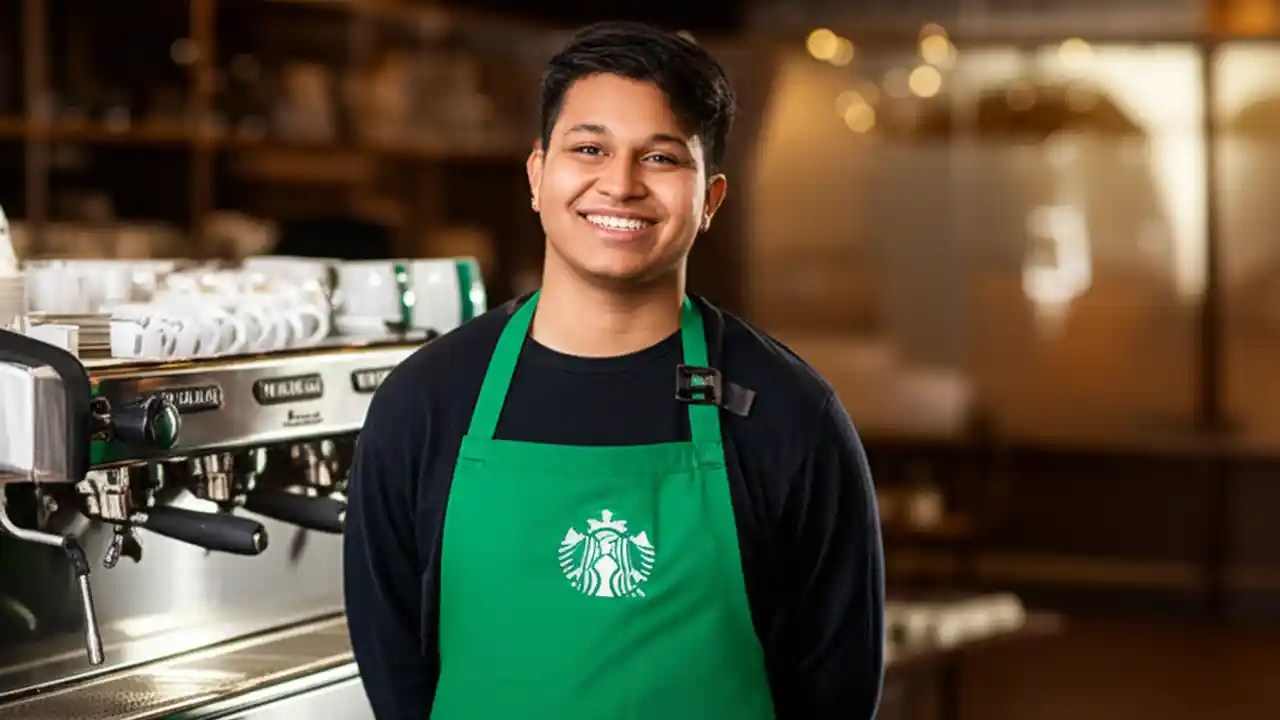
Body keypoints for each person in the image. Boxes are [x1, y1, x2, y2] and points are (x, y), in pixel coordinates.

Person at [343, 20, 884, 719]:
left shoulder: (788, 416)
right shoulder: (426, 401)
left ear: (711, 199)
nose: (620, 184)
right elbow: (394, 669)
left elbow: (837, 691)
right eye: (589, 149)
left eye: (660, 158)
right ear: (538, 175)